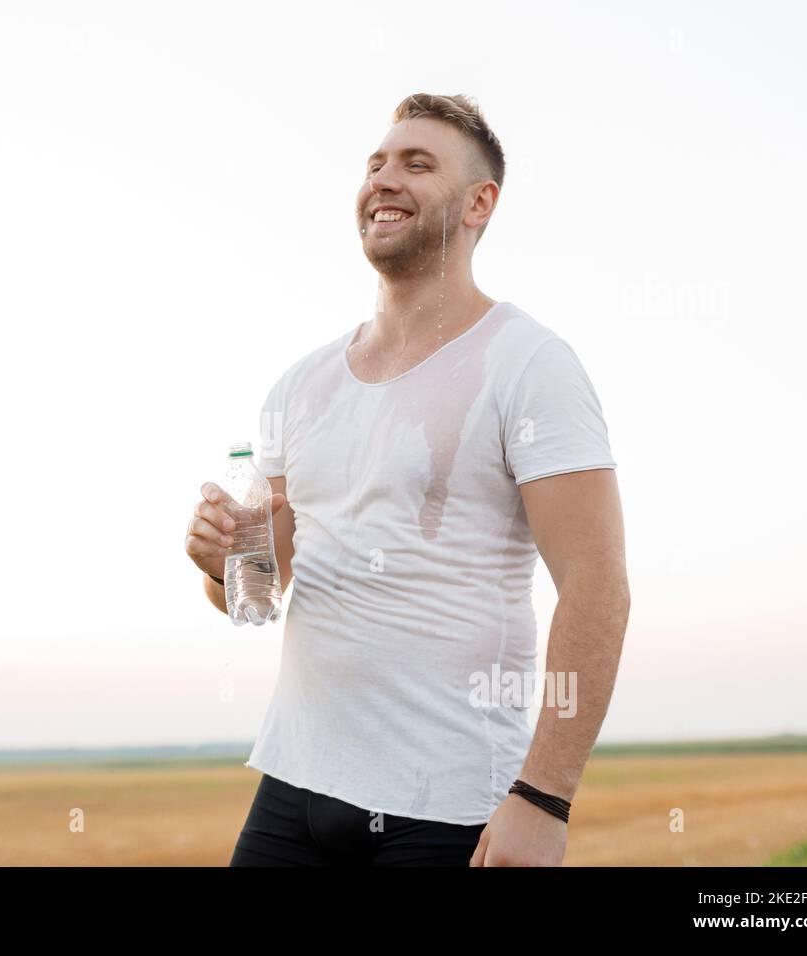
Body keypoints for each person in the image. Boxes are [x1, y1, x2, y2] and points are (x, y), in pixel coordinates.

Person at [184, 93, 630, 866]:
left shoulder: (529, 364)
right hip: (293, 785)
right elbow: (252, 588)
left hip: (449, 805)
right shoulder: (301, 385)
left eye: (417, 165)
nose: (385, 179)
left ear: (478, 203)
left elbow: (597, 587)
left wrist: (545, 797)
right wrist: (217, 562)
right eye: (376, 164)